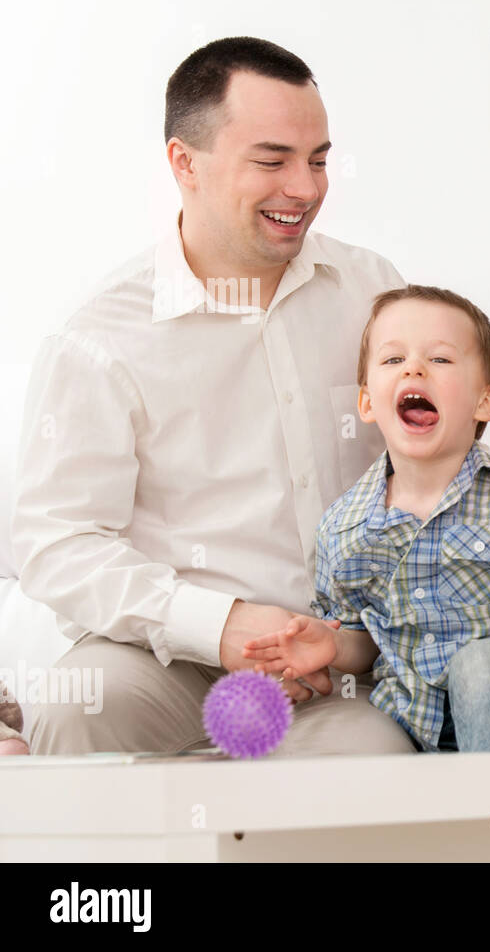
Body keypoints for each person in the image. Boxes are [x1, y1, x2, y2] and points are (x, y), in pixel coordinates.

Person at [12, 37, 416, 755]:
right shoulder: (101, 336)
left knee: (369, 758)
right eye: (272, 161)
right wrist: (218, 623)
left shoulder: (371, 289)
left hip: (335, 661)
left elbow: (452, 455)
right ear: (184, 164)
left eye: (319, 160)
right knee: (81, 708)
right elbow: (56, 541)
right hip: (162, 658)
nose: (306, 187)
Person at [241, 286, 490, 753]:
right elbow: (364, 641)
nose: (414, 368)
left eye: (440, 360)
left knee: (479, 664)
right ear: (366, 402)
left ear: (485, 401)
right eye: (392, 359)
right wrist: (330, 644)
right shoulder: (344, 526)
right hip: (416, 718)